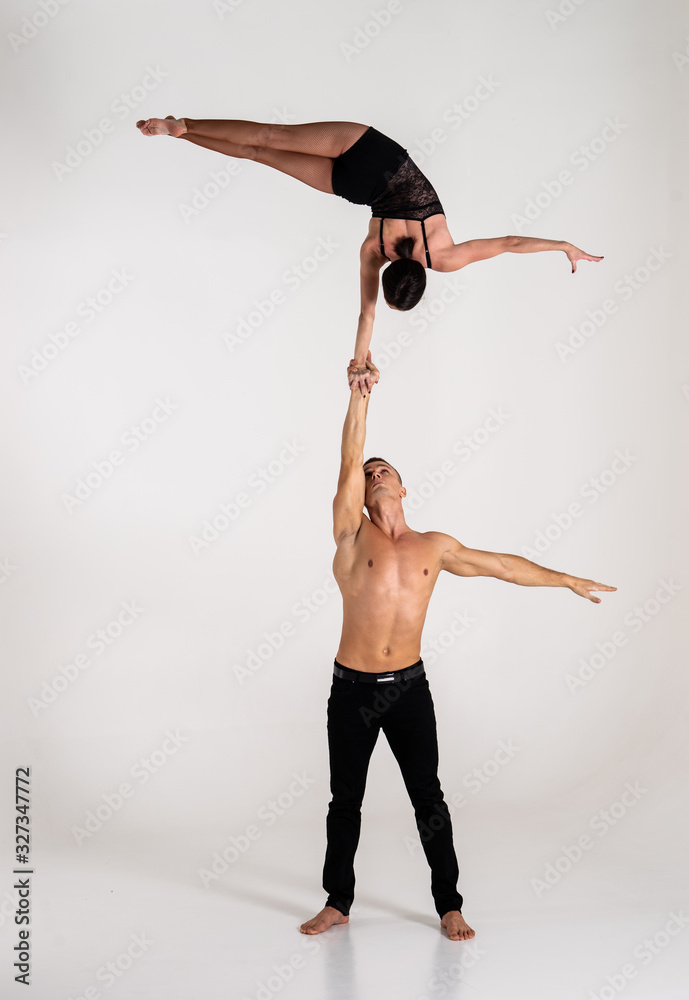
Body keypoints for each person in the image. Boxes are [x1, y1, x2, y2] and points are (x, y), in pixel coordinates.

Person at [299, 355, 616, 939]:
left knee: (430, 799)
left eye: (382, 470)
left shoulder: (434, 546)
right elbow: (349, 455)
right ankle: (337, 901)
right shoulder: (350, 534)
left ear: (400, 485)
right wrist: (360, 395)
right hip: (352, 689)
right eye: (367, 473)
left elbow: (503, 567)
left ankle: (449, 903)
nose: (373, 474)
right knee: (346, 800)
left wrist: (565, 578)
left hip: (409, 689)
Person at [136, 117, 603, 392]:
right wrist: (358, 366)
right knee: (261, 156)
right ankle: (182, 135)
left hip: (379, 156)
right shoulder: (371, 250)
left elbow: (508, 244)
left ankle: (185, 124)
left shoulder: (442, 255)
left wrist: (562, 244)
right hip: (359, 187)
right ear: (389, 274)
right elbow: (366, 314)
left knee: (272, 137)